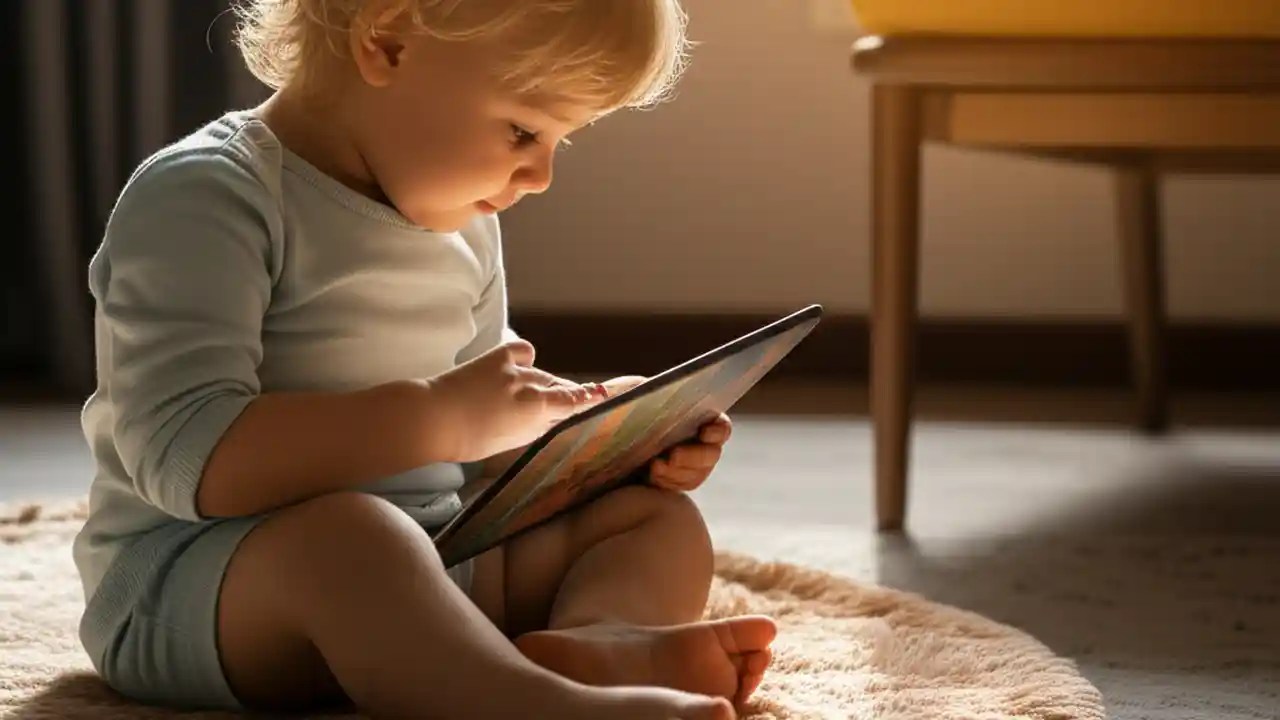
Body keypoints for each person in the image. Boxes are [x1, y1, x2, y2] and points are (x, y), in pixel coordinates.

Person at [71, 1, 778, 718]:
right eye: (525, 130)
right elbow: (188, 456)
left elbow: (483, 445)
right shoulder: (209, 195)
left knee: (651, 520)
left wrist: (597, 434)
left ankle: (589, 645)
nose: (541, 176)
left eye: (561, 141)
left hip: (433, 560)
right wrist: (440, 420)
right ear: (389, 42)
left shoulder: (466, 226)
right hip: (197, 590)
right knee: (355, 538)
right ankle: (529, 702)